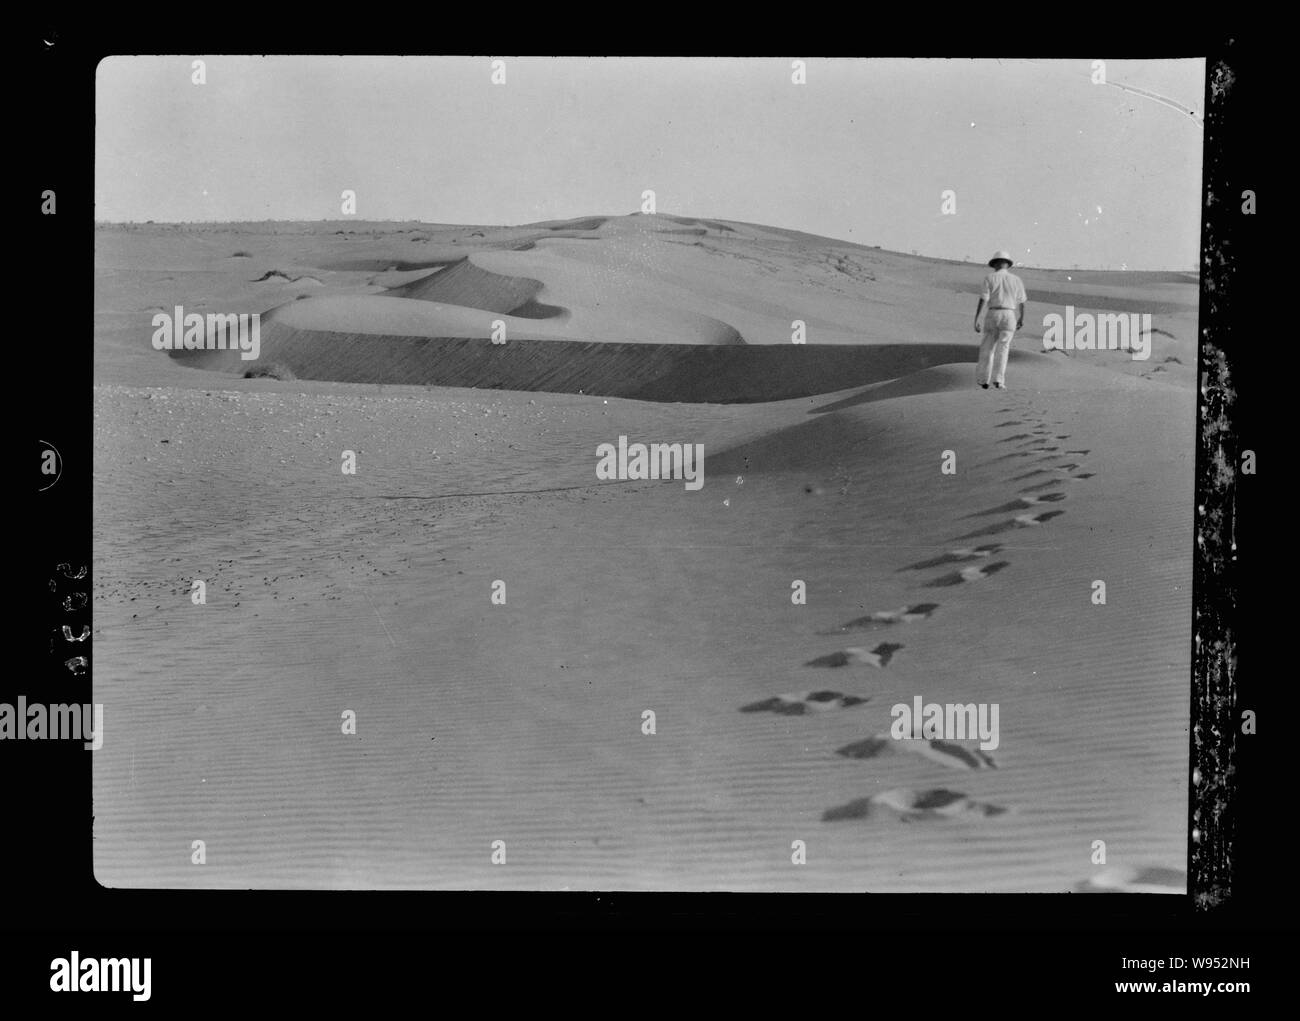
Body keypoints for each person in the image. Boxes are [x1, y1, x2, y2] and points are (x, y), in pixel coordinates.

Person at [973, 250, 1027, 389]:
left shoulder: (990, 278)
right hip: (1009, 314)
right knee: (1004, 348)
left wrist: (976, 318)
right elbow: (1021, 301)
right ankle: (999, 380)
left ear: (995, 264)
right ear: (1007, 264)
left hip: (993, 313)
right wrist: (1021, 318)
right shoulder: (1016, 280)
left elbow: (984, 298)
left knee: (987, 348)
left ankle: (983, 380)